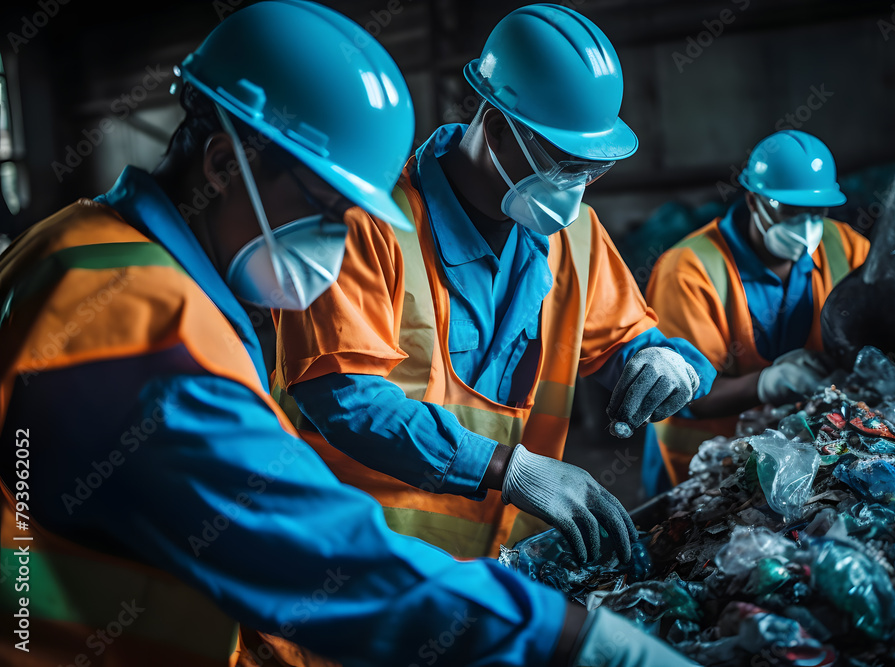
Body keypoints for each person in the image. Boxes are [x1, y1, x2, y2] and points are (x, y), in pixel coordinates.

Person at [0, 3, 698, 666]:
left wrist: (664, 356)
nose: (336, 247)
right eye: (327, 210)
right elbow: (319, 552)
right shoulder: (135, 320)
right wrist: (574, 642)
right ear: (220, 165)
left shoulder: (102, 253)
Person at [270, 3, 716, 566]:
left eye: (591, 170)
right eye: (563, 162)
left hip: (502, 568)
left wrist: (671, 364)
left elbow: (626, 341)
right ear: (500, 127)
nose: (576, 187)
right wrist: (512, 470)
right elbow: (345, 399)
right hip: (361, 563)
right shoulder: (368, 224)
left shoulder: (576, 236)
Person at [643, 130, 870, 488]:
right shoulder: (688, 271)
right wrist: (768, 383)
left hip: (807, 457)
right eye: (790, 210)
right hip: (708, 470)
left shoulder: (847, 248)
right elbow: (688, 393)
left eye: (817, 211)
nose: (807, 226)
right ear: (753, 201)